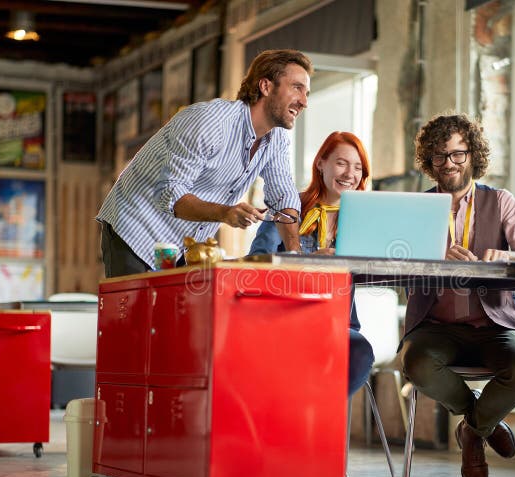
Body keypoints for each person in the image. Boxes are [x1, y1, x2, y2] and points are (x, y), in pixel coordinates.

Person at [399, 113, 515, 477]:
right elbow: (396, 262)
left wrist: (497, 261)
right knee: (415, 362)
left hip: (493, 325)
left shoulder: (501, 202)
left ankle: (472, 431)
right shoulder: (415, 206)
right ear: (429, 162)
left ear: (473, 155)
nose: (449, 164)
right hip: (435, 326)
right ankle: (483, 423)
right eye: (440, 157)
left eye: (458, 154)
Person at [97, 49, 313, 277]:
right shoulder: (210, 122)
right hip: (137, 229)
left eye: (307, 92)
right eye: (297, 88)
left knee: (177, 312)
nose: (304, 102)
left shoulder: (276, 139)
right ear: (266, 87)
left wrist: (296, 258)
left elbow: (283, 197)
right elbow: (171, 193)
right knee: (137, 312)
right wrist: (226, 212)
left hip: (183, 243)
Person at [248, 131, 375, 396]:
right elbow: (256, 261)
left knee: (359, 352)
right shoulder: (289, 206)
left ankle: (315, 416)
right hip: (287, 319)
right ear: (321, 163)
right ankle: (304, 419)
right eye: (341, 163)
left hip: (341, 324)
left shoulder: (366, 220)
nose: (349, 174)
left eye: (358, 167)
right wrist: (303, 262)